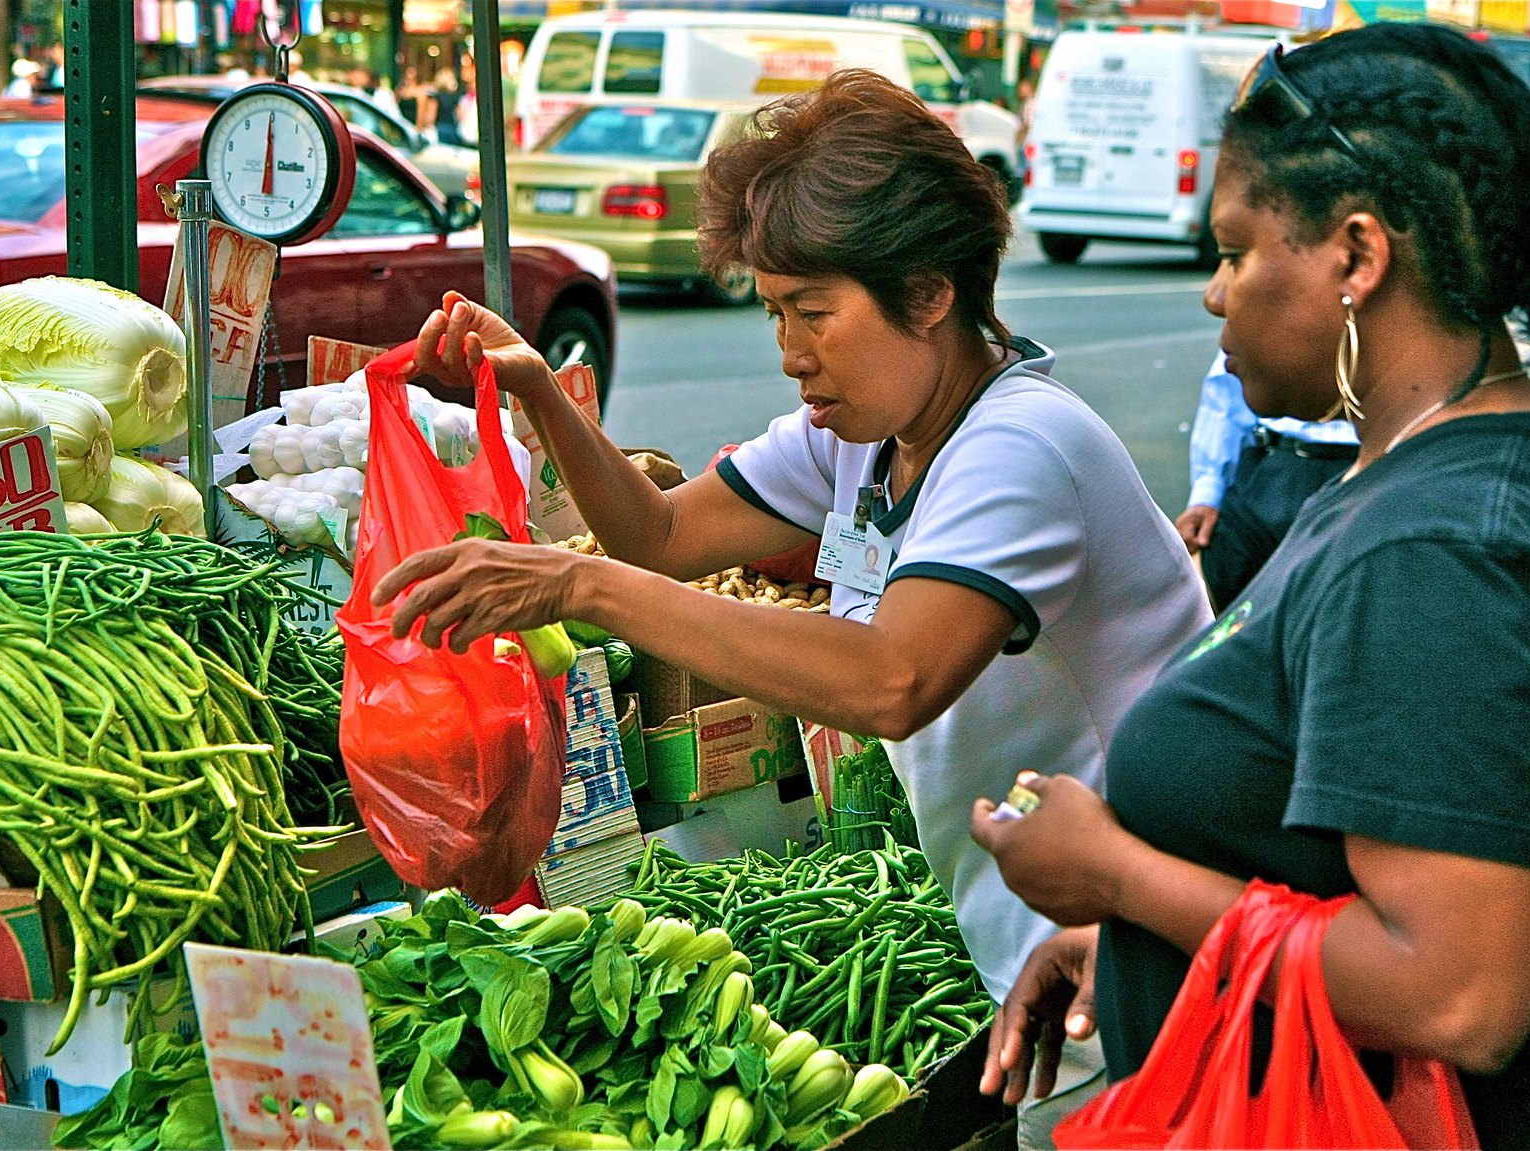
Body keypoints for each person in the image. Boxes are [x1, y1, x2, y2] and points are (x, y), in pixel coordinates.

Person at [370, 67, 1209, 1043]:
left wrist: (581, 581)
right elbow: (664, 534)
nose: (790, 350)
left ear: (930, 292)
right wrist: (541, 393)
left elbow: (890, 678)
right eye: (773, 313)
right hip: (1041, 941)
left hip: (1145, 953)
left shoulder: (1020, 444)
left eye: (814, 311)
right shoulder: (863, 435)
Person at [971, 25, 1530, 1150]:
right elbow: (1337, 841)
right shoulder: (1421, 464)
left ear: (1356, 255)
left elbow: (1454, 993)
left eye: (1233, 249)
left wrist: (1119, 877)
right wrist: (1144, 947)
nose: (1213, 294)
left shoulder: (1438, 549)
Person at [1177, 351, 1356, 609]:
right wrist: (1209, 490)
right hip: (1274, 465)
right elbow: (1226, 385)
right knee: (1199, 601)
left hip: (1367, 469)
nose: (1213, 307)